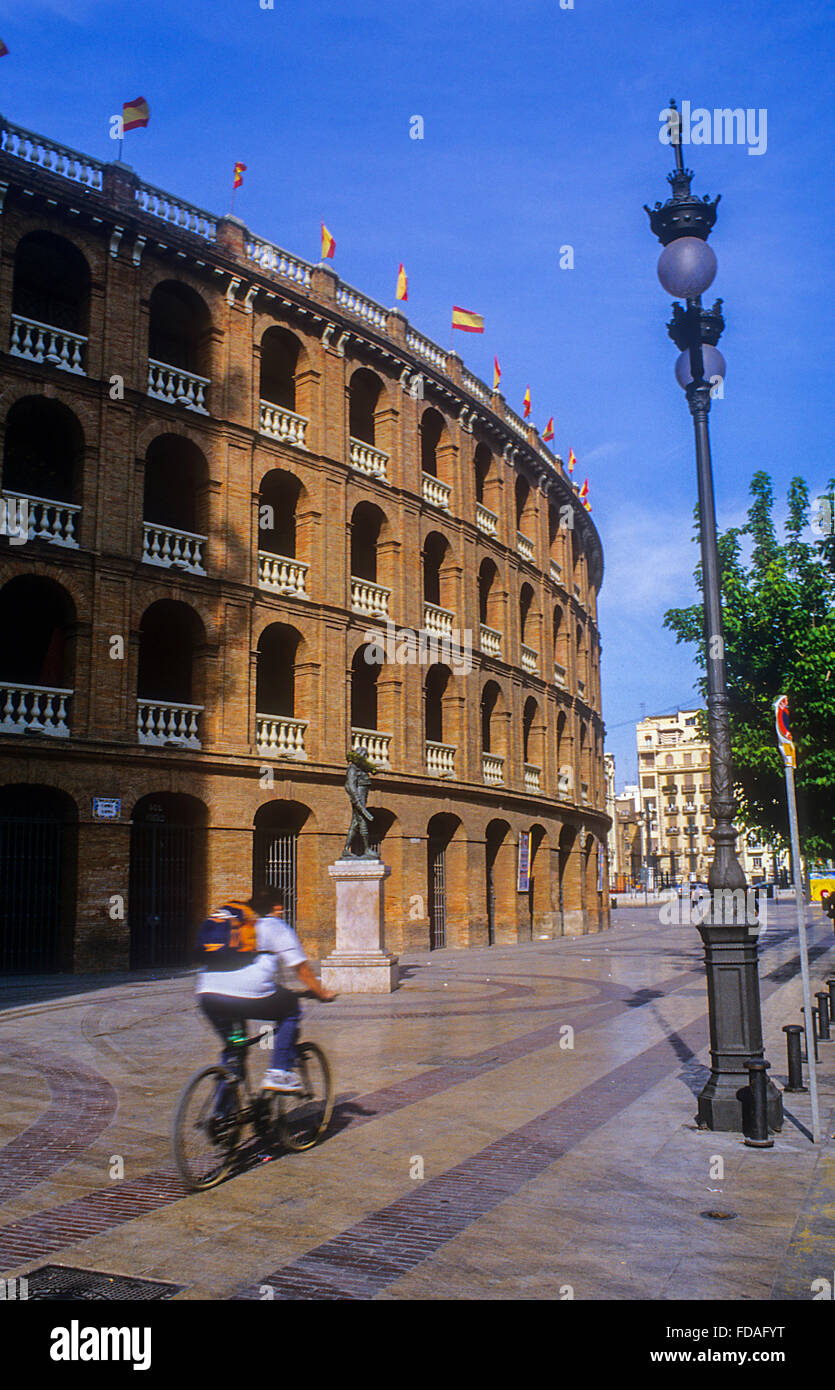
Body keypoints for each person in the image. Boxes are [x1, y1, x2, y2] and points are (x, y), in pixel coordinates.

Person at [196, 888, 336, 1093]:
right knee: (291, 1009)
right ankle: (279, 1071)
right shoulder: (275, 925)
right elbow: (302, 969)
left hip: (209, 995)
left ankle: (220, 1116)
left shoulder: (239, 921)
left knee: (235, 1050)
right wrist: (322, 993)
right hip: (249, 995)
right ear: (277, 906)